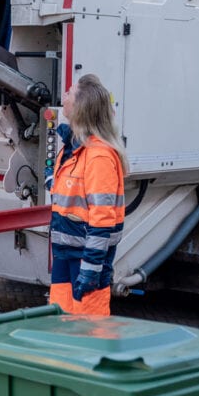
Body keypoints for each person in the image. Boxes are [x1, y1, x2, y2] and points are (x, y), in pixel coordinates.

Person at [48, 74, 127, 316]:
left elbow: (102, 220)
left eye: (70, 93)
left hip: (83, 259)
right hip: (65, 254)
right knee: (60, 322)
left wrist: (91, 270)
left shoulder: (98, 157)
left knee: (90, 330)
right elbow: (68, 192)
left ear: (81, 107)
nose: (64, 97)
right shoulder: (73, 149)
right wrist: (51, 177)